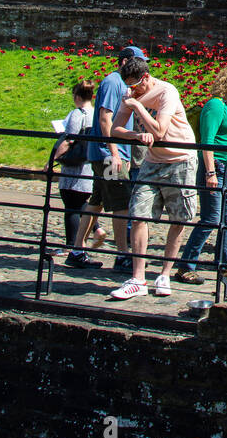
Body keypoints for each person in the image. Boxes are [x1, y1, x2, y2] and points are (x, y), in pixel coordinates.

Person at [106, 57, 198, 300]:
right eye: (128, 85)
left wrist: (137, 108)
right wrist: (136, 135)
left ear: (146, 78)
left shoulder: (167, 91)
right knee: (138, 214)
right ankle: (138, 278)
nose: (131, 90)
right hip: (153, 161)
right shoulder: (131, 94)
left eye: (135, 85)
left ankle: (165, 274)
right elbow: (115, 129)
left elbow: (159, 130)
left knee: (178, 218)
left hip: (181, 160)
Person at [66, 45, 150, 273]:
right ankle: (123, 255)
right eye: (138, 63)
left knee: (96, 202)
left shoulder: (119, 83)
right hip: (109, 155)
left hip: (106, 153)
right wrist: (115, 153)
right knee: (121, 203)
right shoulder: (115, 82)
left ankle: (76, 251)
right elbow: (105, 119)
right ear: (125, 62)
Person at [175, 65, 227, 286]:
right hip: (216, 167)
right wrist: (209, 172)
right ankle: (186, 265)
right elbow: (206, 141)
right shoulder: (215, 106)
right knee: (211, 219)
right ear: (226, 85)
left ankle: (225, 265)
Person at [50, 81, 97, 247]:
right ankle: (96, 230)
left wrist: (52, 159)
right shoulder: (95, 113)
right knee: (82, 202)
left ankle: (72, 244)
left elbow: (69, 139)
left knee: (71, 205)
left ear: (77, 96)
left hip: (75, 166)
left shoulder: (78, 114)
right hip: (89, 164)